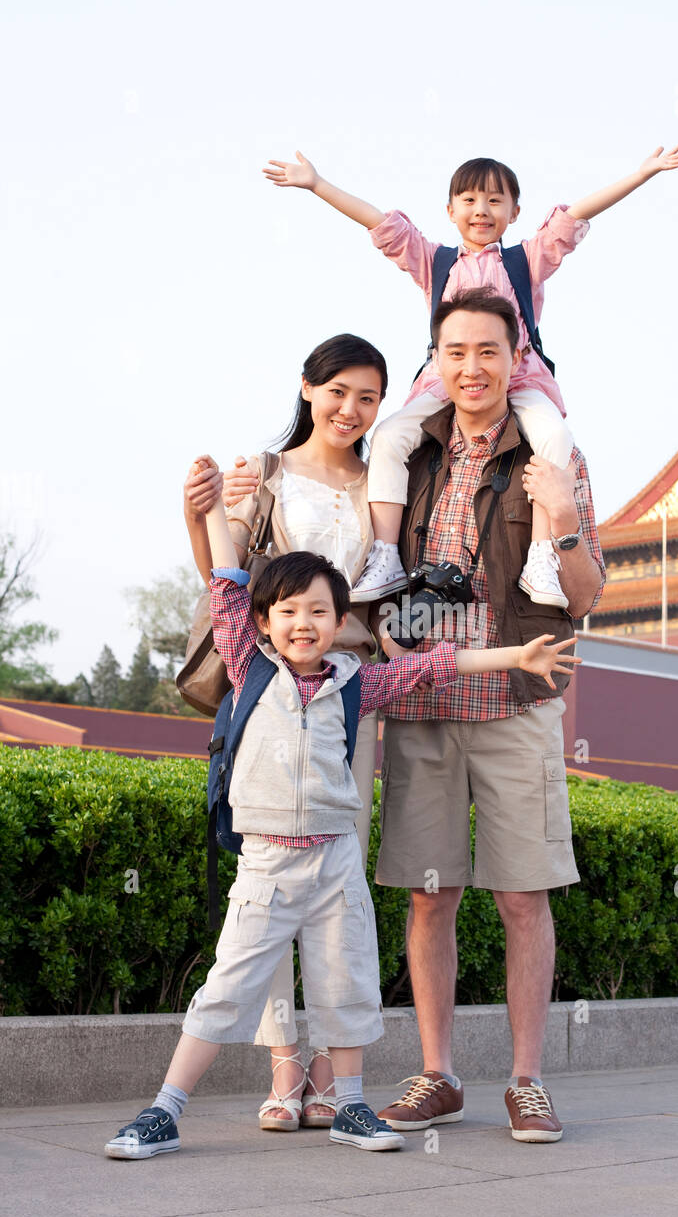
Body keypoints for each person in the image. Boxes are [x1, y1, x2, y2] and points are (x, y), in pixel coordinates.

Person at [104, 468, 580, 1158]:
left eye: (320, 611)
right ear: (265, 623)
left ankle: (351, 1106)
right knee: (228, 985)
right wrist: (213, 514)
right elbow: (226, 584)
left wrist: (515, 655)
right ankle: (164, 1108)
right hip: (267, 863)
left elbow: (433, 667)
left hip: (333, 862)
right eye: (290, 611)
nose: (304, 624)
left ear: (338, 621)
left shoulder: (356, 684)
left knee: (346, 984)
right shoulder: (250, 665)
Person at [368, 287, 606, 1143]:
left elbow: (581, 599)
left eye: (488, 352)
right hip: (424, 705)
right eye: (454, 352)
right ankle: (438, 1073)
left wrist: (569, 520)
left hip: (516, 705)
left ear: (516, 361)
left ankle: (528, 1080)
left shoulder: (552, 454)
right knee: (431, 899)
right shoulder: (407, 456)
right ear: (436, 361)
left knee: (521, 896)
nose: (470, 368)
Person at [262, 144, 678, 608]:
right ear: (450, 210)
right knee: (389, 436)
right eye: (468, 200)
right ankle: (385, 555)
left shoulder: (525, 261)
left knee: (554, 437)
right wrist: (317, 184)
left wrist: (642, 173)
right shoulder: (436, 263)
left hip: (519, 379)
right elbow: (378, 222)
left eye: (494, 201)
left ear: (515, 211)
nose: (481, 210)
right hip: (442, 382)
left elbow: (578, 212)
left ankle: (542, 556)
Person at [182, 333, 385, 1134]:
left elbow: (378, 591)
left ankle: (341, 1078)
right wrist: (194, 506)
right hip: (269, 690)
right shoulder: (261, 474)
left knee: (340, 882)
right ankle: (284, 1065)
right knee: (266, 880)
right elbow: (219, 570)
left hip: (345, 691)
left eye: (367, 397)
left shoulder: (384, 482)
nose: (350, 409)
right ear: (308, 389)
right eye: (338, 391)